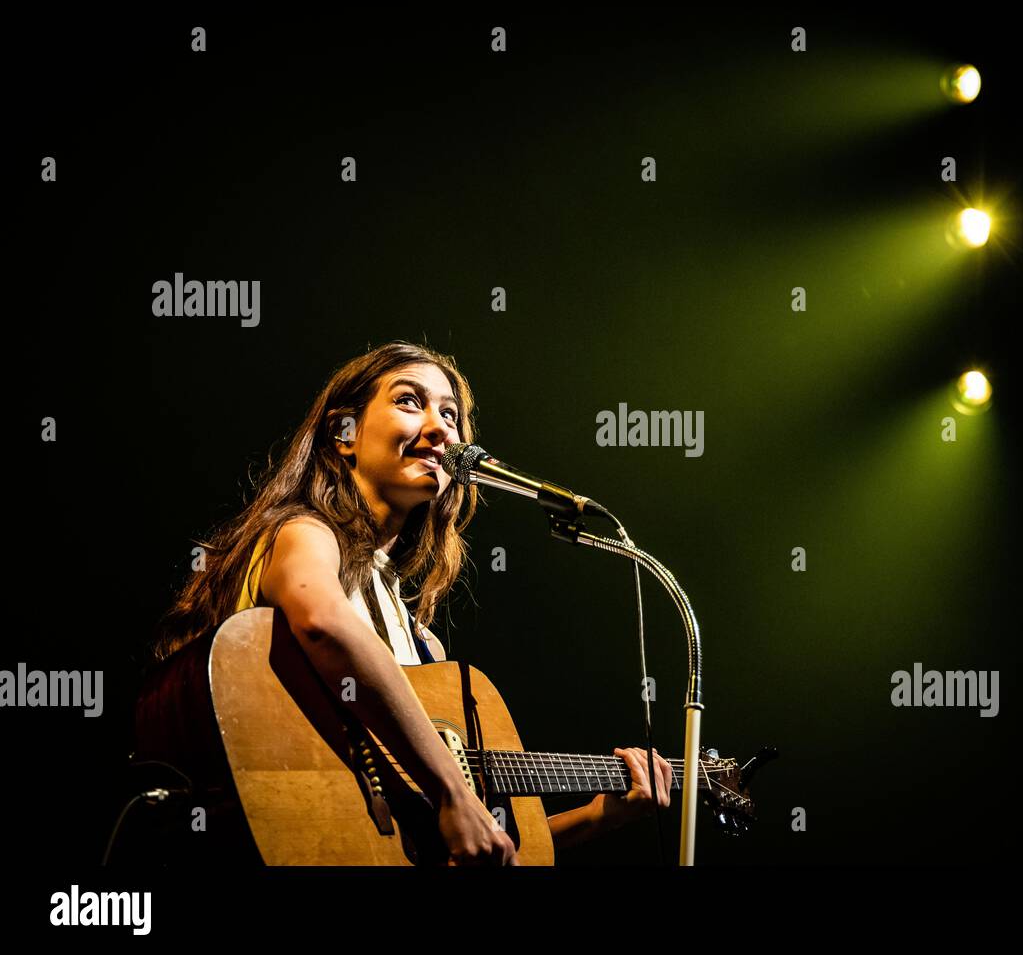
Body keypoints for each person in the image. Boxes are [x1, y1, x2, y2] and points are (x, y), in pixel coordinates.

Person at [152, 341, 672, 864]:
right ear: (343, 435)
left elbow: (474, 842)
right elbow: (323, 623)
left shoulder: (421, 643)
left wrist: (603, 813)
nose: (442, 428)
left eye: (450, 414)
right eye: (408, 401)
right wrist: (450, 790)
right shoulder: (305, 532)